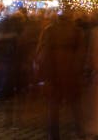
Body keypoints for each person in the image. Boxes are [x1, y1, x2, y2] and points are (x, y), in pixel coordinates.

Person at [35, 11, 85, 140]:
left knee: (53, 106)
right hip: (70, 72)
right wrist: (78, 70)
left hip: (53, 71)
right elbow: (81, 53)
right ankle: (79, 131)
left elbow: (43, 52)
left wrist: (44, 73)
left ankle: (53, 134)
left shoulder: (49, 30)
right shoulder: (77, 31)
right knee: (75, 105)